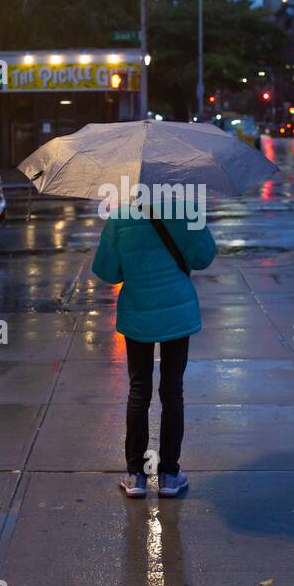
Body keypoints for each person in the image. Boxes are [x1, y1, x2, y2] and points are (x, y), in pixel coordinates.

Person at [92, 198, 216, 499]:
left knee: (139, 389)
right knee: (172, 390)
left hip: (138, 313)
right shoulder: (188, 211)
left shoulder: (120, 217)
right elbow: (204, 258)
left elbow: (108, 271)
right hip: (178, 313)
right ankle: (170, 475)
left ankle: (136, 475)